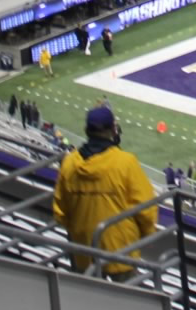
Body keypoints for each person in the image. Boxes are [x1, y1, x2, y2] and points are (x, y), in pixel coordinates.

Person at [52, 105, 158, 278]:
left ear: (87, 130)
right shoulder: (126, 163)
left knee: (90, 300)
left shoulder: (69, 164)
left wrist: (79, 230)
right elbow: (146, 208)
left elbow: (60, 212)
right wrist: (147, 234)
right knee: (130, 301)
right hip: (121, 251)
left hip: (83, 251)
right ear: (113, 130)